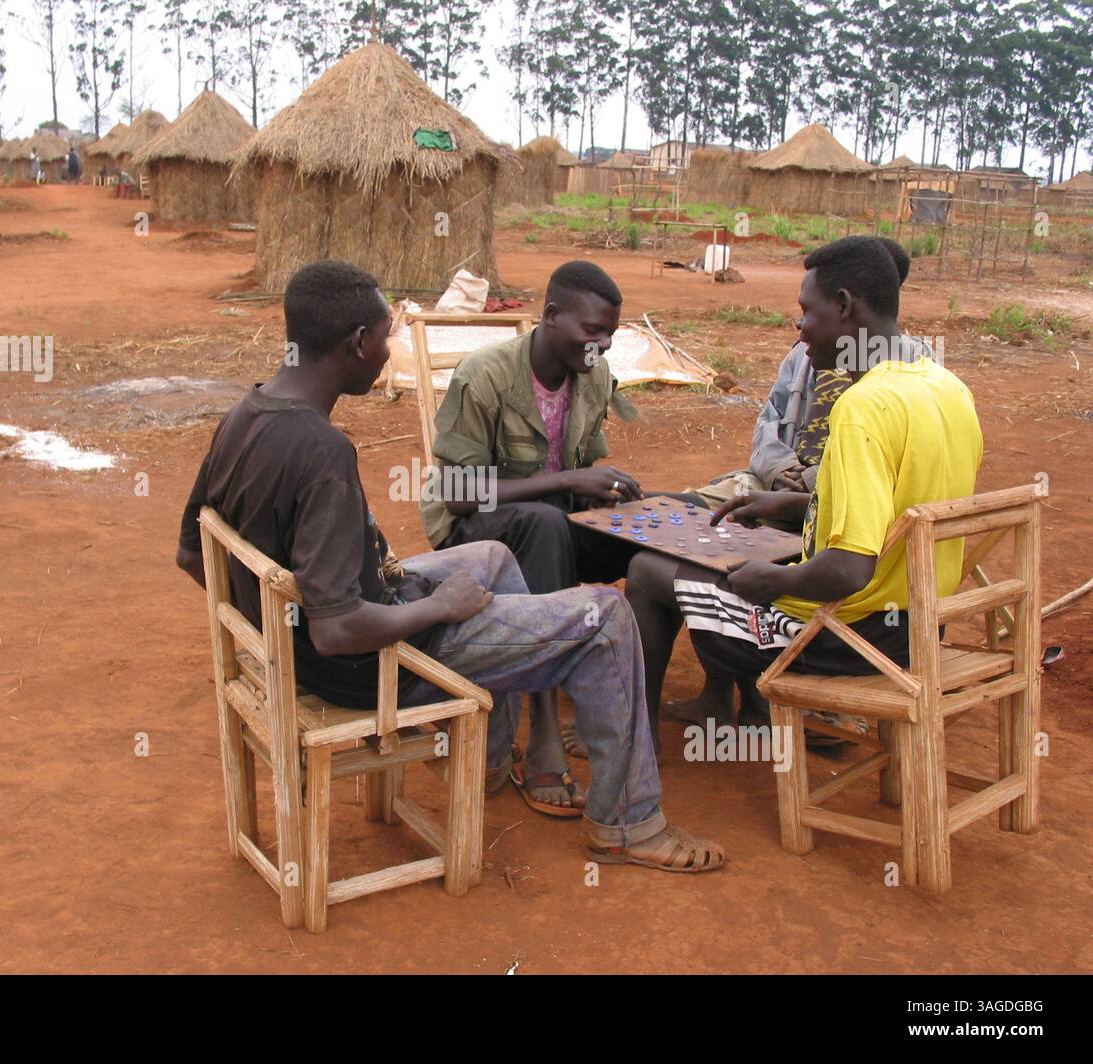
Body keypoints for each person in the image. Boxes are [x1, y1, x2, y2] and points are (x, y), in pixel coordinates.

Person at [177, 259, 725, 874]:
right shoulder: (321, 451)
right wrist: (436, 608)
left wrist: (274, 631)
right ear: (358, 343)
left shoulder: (245, 416)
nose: (387, 351)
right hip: (366, 664)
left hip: (335, 635)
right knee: (607, 615)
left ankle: (489, 758)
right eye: (385, 336)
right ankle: (626, 824)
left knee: (492, 557)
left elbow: (192, 554)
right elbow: (337, 630)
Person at [624, 236, 981, 739]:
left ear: (842, 305)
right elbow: (898, 509)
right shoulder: (945, 387)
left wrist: (773, 582)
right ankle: (724, 708)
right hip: (916, 626)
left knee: (647, 570)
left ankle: (633, 742)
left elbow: (848, 569)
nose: (799, 326)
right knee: (738, 553)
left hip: (845, 636)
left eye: (806, 310)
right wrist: (793, 504)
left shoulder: (863, 407)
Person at [420, 261, 646, 814]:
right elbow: (458, 494)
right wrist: (568, 481)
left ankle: (631, 713)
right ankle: (543, 723)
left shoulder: (592, 377)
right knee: (544, 522)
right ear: (549, 316)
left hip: (555, 525)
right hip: (479, 536)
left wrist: (607, 493)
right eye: (592, 330)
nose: (602, 345)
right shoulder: (487, 375)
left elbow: (582, 469)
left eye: (611, 333)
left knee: (652, 530)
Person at [691, 238, 914, 520]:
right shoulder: (806, 354)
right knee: (691, 506)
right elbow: (770, 418)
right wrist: (780, 469)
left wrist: (808, 482)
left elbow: (876, 472)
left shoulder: (908, 368)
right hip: (776, 482)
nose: (799, 323)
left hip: (843, 501)